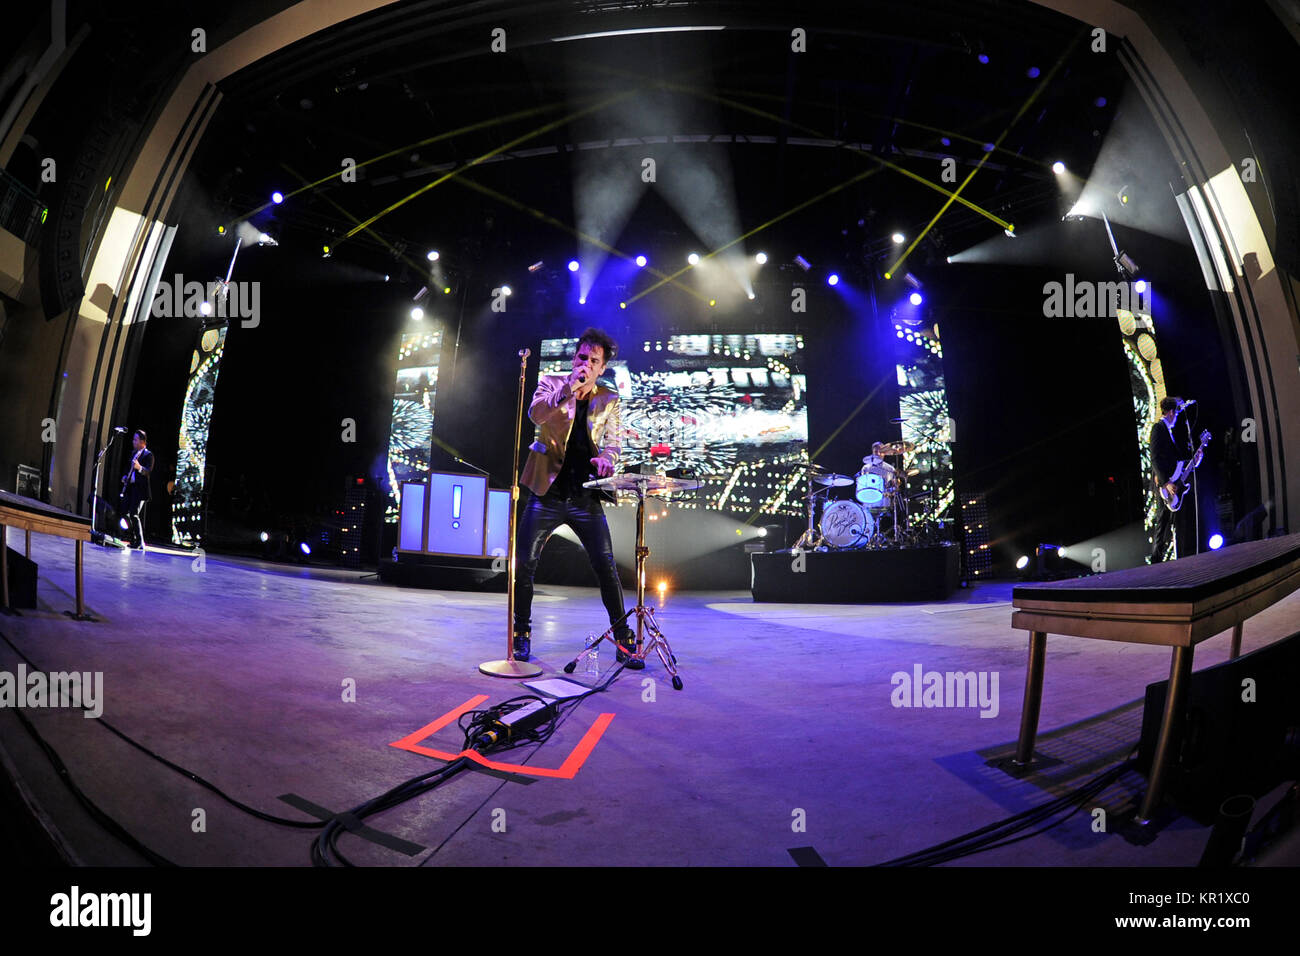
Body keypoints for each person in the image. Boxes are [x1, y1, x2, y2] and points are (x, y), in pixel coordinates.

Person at [513, 328, 641, 668]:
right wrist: (570, 388)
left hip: (585, 496)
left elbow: (614, 443)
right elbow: (535, 415)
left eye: (593, 361)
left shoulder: (609, 399)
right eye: (582, 357)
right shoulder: (552, 383)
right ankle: (522, 633)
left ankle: (623, 639)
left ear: (602, 369)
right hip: (546, 491)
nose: (586, 363)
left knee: (606, 566)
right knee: (525, 564)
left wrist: (607, 460)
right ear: (575, 359)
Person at [1149, 397, 1194, 563]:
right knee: (1162, 523)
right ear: (1171, 412)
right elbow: (1154, 458)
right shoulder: (1158, 429)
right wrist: (1165, 482)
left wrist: (1195, 459)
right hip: (1165, 484)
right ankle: (1155, 560)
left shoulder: (1167, 430)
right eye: (1176, 413)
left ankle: (1178, 556)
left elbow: (1175, 459)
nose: (1177, 417)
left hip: (1171, 482)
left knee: (1171, 521)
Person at [120, 429, 154, 552]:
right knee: (125, 513)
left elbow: (148, 471)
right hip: (131, 488)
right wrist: (125, 477)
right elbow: (128, 469)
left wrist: (139, 468)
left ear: (142, 441)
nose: (133, 442)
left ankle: (140, 542)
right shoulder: (133, 453)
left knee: (134, 514)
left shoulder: (148, 455)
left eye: (135, 439)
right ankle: (134, 538)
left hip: (140, 490)